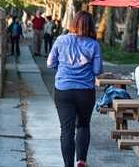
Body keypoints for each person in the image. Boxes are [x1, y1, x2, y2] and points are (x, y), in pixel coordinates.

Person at [47, 11, 103, 167]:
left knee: (66, 130)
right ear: (91, 26)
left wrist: (65, 69)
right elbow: (98, 70)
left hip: (63, 90)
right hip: (85, 90)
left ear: (73, 23)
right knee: (84, 124)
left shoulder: (61, 40)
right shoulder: (93, 45)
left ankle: (68, 165)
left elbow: (50, 63)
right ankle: (81, 162)